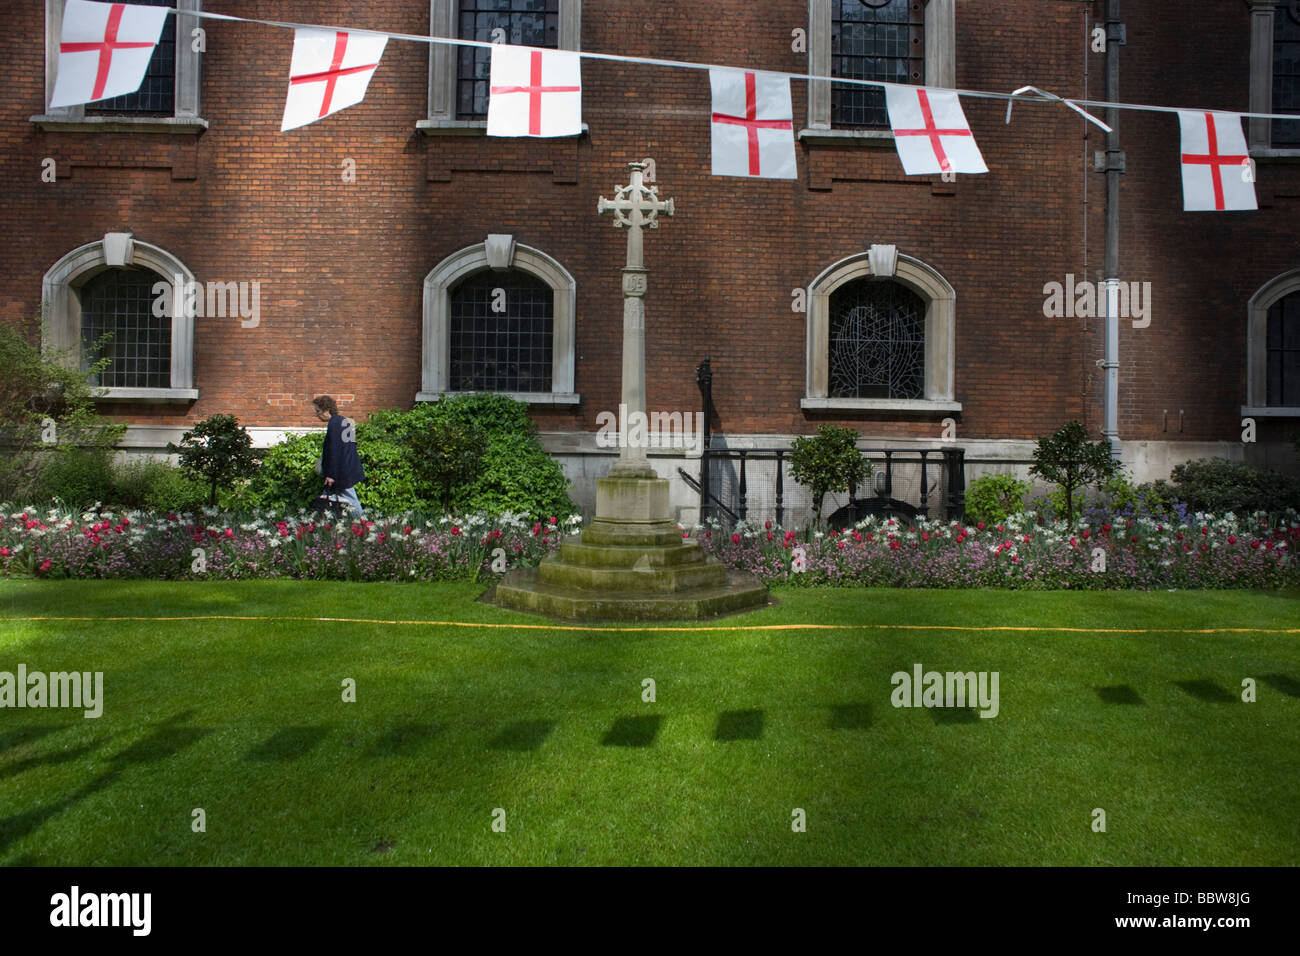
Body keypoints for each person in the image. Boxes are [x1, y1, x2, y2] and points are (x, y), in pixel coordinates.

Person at [312, 395, 365, 517]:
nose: (317, 415)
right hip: (348, 468)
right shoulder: (343, 421)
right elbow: (349, 448)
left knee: (352, 501)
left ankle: (363, 524)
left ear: (326, 409)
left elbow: (335, 451)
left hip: (342, 472)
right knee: (329, 497)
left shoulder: (334, 424)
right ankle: (333, 523)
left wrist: (331, 475)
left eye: (318, 411)